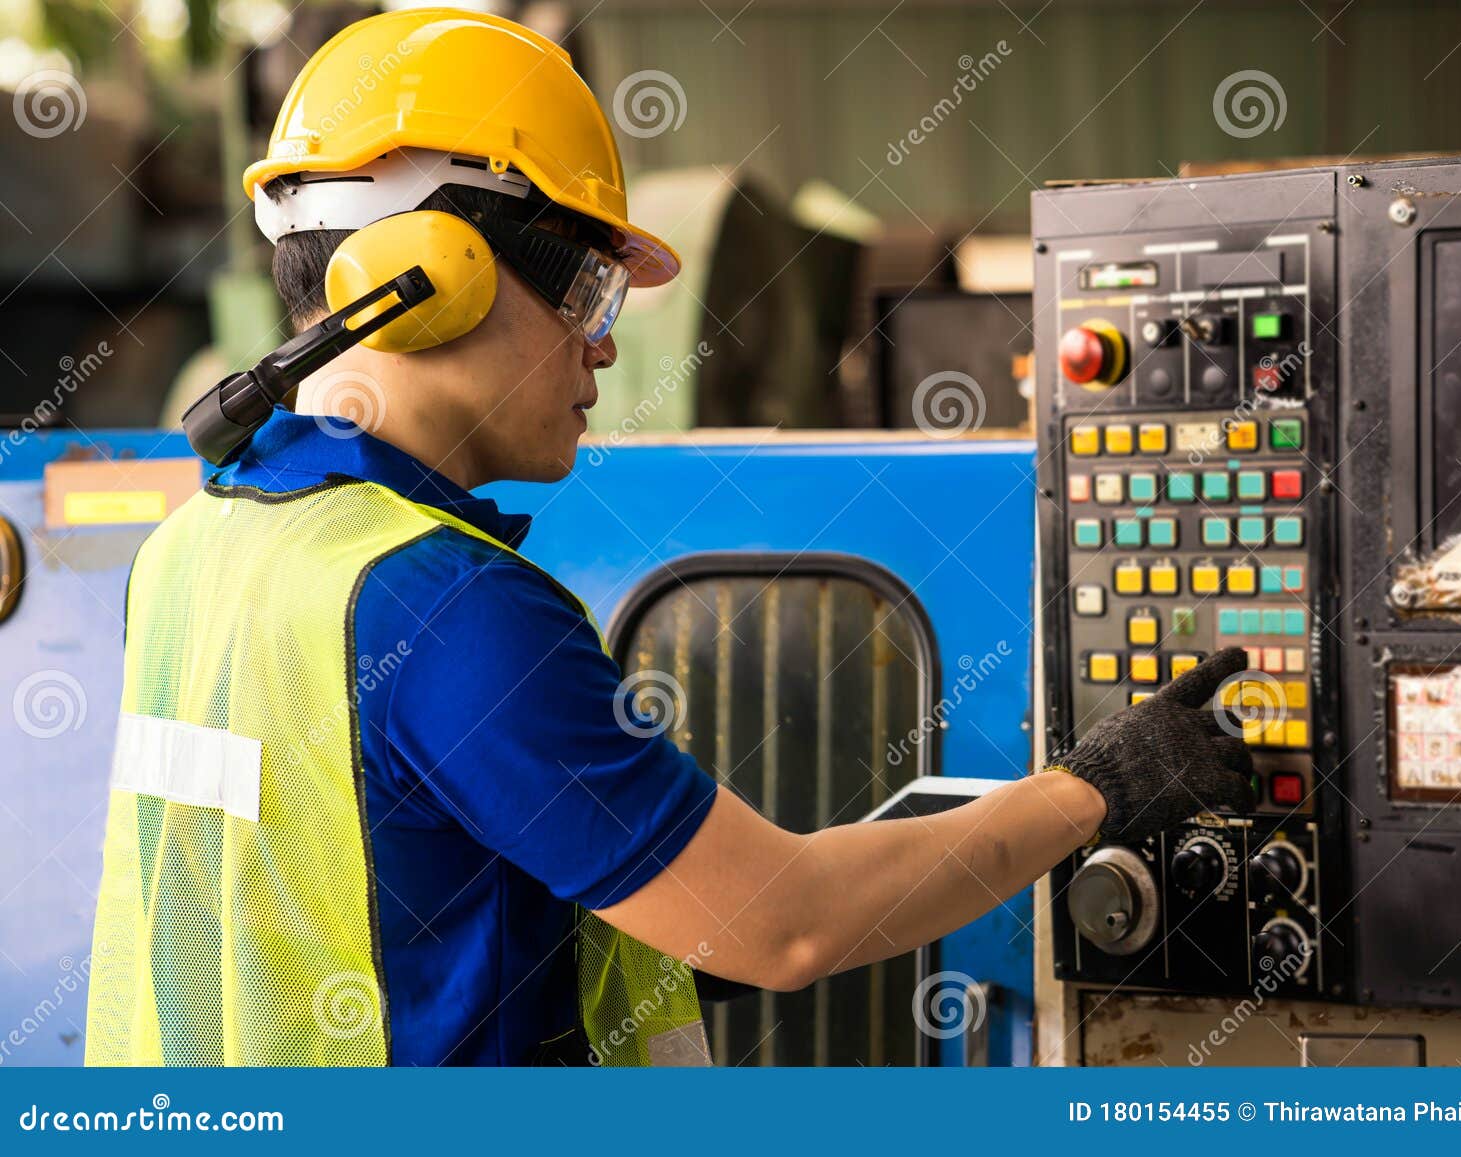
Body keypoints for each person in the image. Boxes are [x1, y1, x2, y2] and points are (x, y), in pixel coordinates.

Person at [84, 8, 1253, 1068]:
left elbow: (362, 895)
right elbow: (785, 924)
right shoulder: (441, 603)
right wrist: (1100, 787)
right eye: (589, 294)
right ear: (430, 278)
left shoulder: (193, 546)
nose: (603, 349)